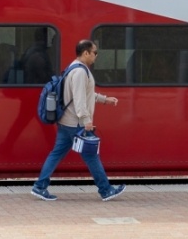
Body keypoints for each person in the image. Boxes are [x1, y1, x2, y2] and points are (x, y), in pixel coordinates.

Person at [31, 40, 126, 202]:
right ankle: (106, 190)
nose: (96, 56)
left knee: (56, 154)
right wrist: (86, 120)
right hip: (76, 123)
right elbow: (80, 99)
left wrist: (104, 99)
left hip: (66, 121)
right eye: (95, 52)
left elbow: (84, 94)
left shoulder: (72, 68)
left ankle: (40, 186)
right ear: (86, 53)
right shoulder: (81, 72)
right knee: (91, 156)